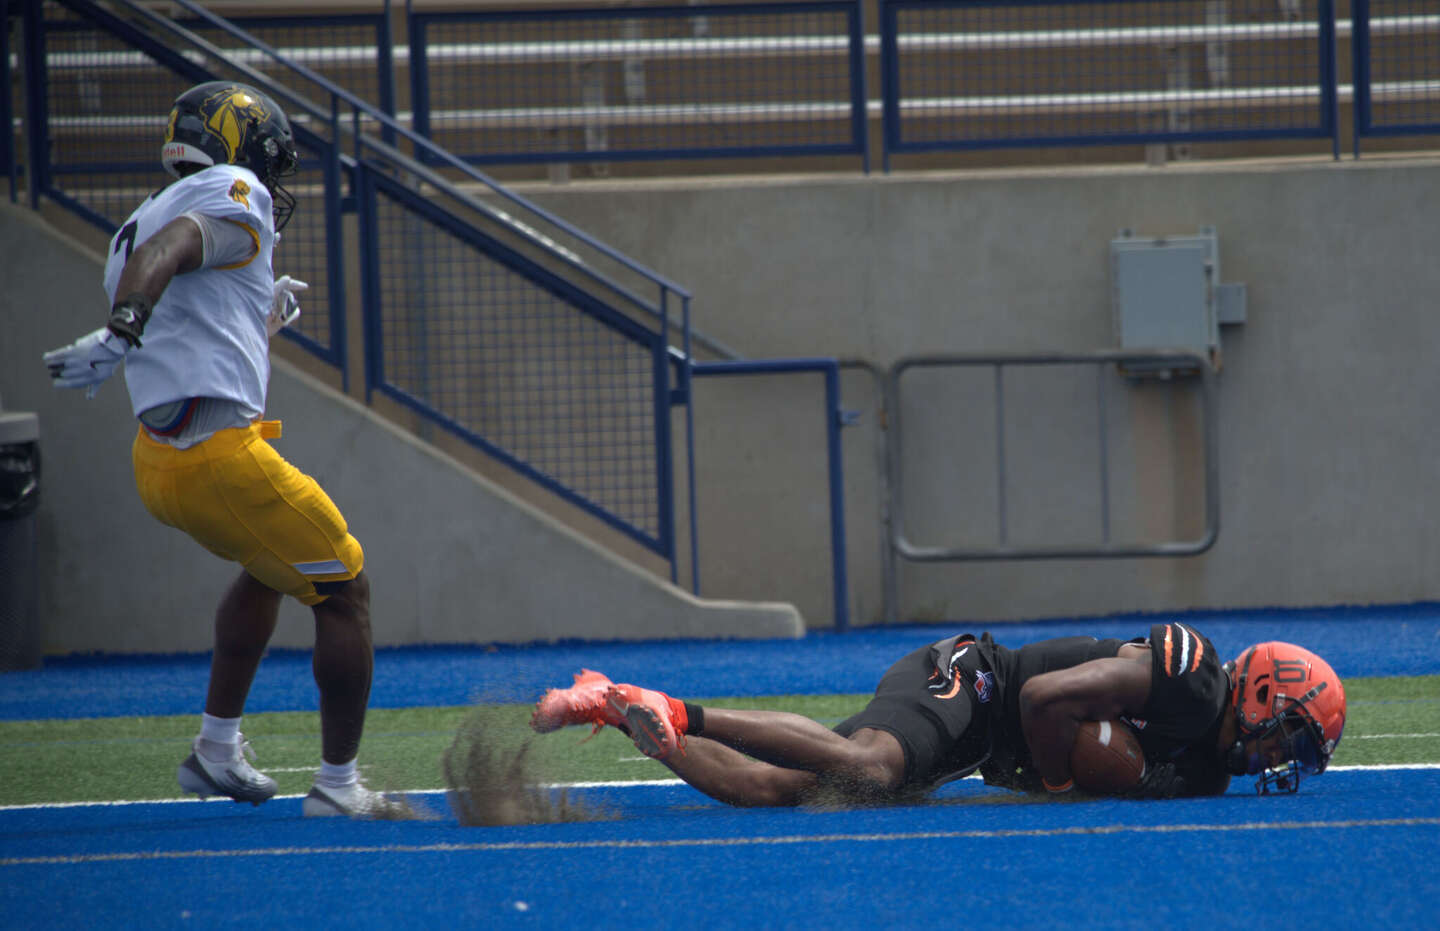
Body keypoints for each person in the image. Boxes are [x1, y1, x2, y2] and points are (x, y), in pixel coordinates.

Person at [43, 81, 394, 818]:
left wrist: (253, 312)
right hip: (218, 458)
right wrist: (121, 328)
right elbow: (177, 252)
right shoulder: (233, 191)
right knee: (345, 590)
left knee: (269, 565)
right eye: (268, 160)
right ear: (238, 146)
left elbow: (184, 294)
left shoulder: (137, 219)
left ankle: (215, 750)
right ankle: (338, 786)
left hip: (159, 460)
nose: (271, 180)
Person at [530, 622, 1346, 805]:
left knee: (784, 792)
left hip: (985, 741)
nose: (1284, 757)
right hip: (982, 681)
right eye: (1293, 736)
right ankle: (680, 705)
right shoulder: (1193, 678)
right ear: (1266, 694)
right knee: (873, 765)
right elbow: (1043, 697)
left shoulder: (1206, 772)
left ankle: (620, 706)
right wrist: (1059, 778)